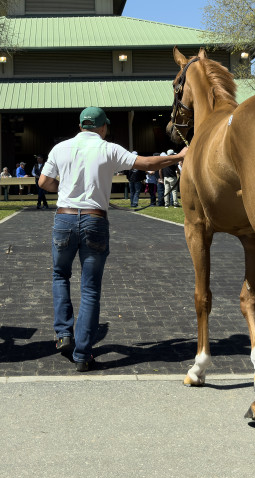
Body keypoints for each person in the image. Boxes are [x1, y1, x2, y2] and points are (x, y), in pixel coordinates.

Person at [37, 107, 186, 372]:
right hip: (95, 219)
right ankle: (83, 354)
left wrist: (68, 187)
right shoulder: (109, 149)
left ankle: (63, 334)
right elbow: (147, 164)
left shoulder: (60, 148)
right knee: (90, 288)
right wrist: (179, 156)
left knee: (60, 275)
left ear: (81, 125)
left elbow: (44, 182)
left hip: (65, 218)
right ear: (103, 127)